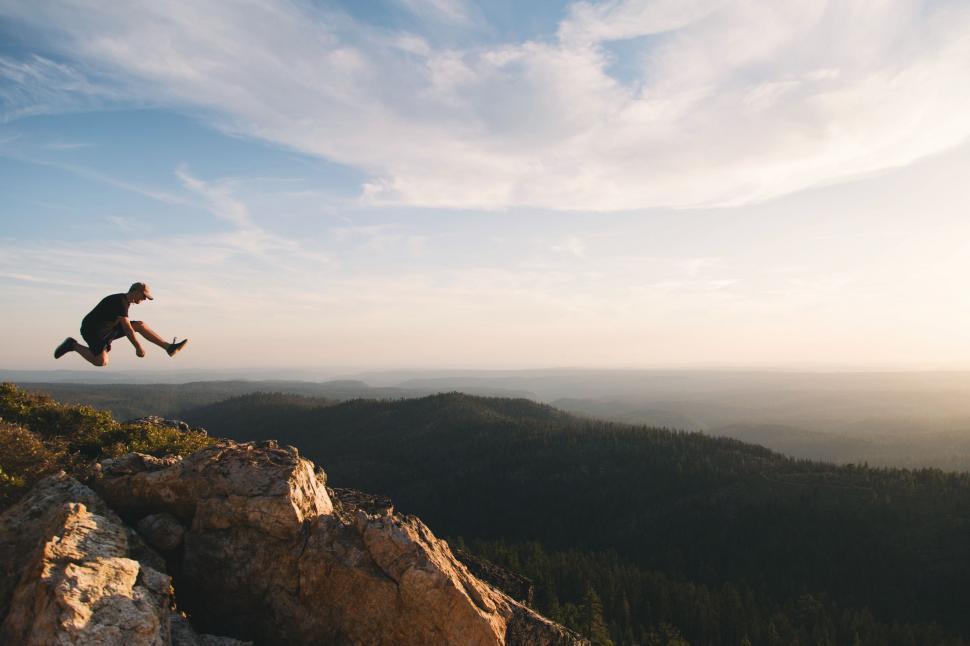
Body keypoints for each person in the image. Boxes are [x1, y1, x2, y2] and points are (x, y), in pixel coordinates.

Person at [53, 282, 187, 367]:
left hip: (109, 328)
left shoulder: (125, 302)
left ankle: (169, 347)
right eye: (143, 295)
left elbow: (128, 327)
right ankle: (73, 345)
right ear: (134, 291)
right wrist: (138, 347)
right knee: (101, 361)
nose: (144, 299)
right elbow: (128, 329)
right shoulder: (121, 301)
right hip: (93, 330)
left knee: (140, 325)